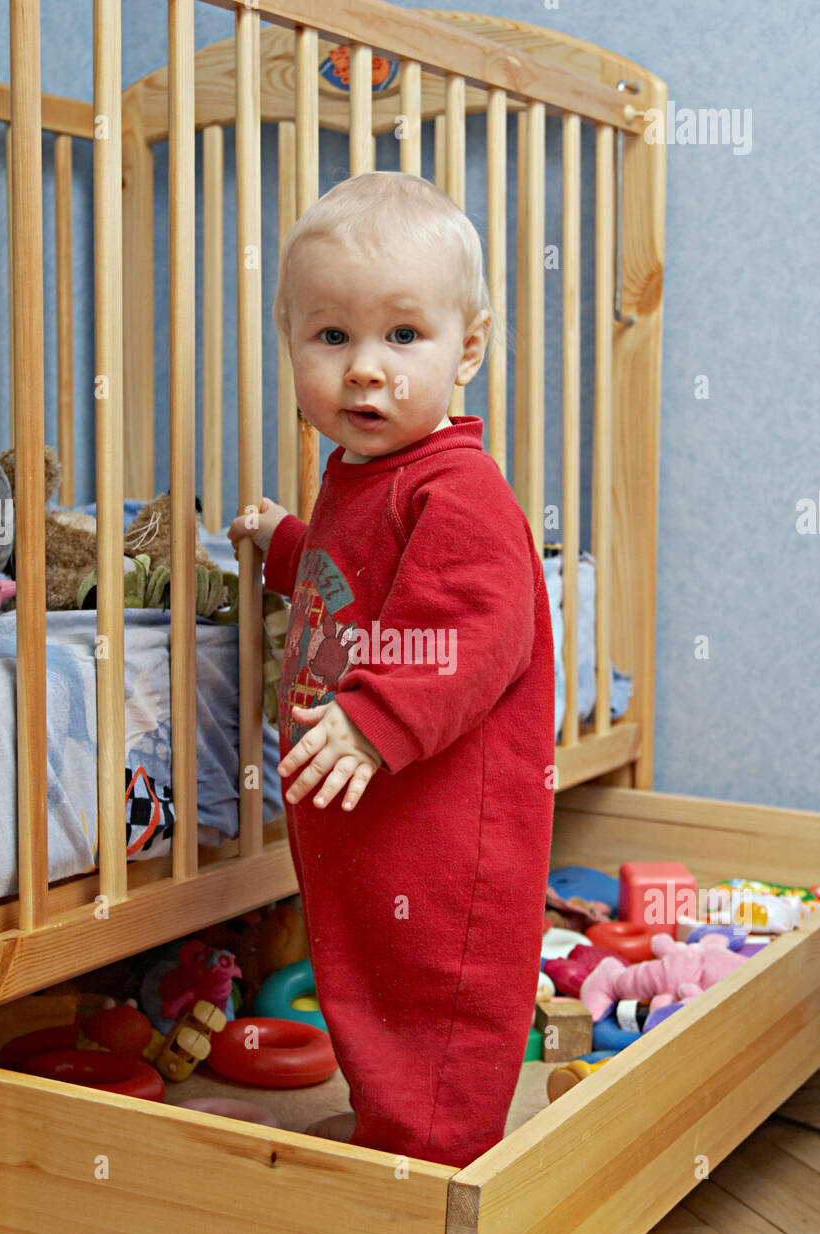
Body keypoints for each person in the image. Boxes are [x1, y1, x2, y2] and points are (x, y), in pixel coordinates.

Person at [228, 171, 554, 1166]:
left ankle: (436, 1171)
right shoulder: (366, 476)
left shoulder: (460, 491)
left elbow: (470, 624)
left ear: (470, 347)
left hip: (442, 821)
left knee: (434, 989)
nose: (366, 370)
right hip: (365, 819)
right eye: (332, 338)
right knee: (366, 979)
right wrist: (285, 543)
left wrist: (374, 718)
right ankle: (392, 1130)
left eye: (402, 336)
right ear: (291, 342)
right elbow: (354, 578)